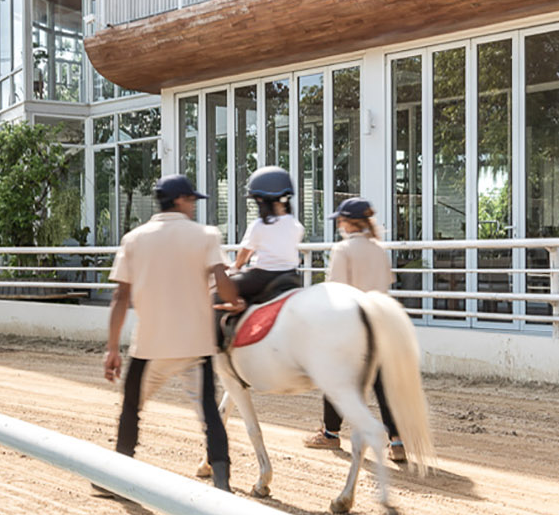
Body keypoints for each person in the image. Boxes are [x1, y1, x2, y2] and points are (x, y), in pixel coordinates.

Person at [102, 174, 243, 495]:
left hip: (151, 345)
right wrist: (235, 301)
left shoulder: (134, 239)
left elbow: (120, 298)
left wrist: (112, 348)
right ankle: (222, 480)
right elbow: (222, 282)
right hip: (196, 344)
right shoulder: (205, 235)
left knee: (131, 409)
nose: (194, 205)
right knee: (208, 411)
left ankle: (118, 478)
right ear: (178, 200)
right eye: (191, 199)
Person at [305, 196, 404, 462]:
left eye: (341, 219)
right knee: (383, 385)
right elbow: (386, 283)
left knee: (333, 376)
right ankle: (397, 441)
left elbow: (337, 290)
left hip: (352, 323)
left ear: (349, 222)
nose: (339, 223)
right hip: (380, 321)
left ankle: (330, 433)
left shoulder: (343, 250)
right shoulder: (379, 249)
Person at [231, 165, 306, 304]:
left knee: (222, 290)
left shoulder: (259, 225)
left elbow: (245, 252)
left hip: (262, 277)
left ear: (261, 200)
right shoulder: (296, 225)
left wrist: (235, 267)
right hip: (291, 276)